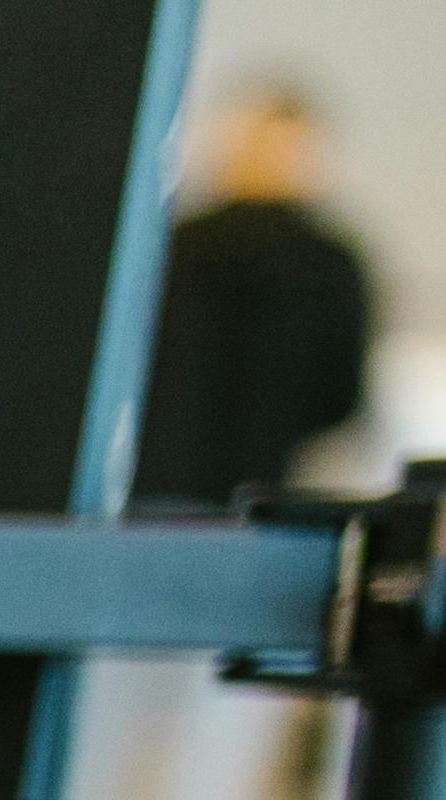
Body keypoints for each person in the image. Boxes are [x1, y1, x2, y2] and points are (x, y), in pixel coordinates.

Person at [130, 79, 380, 512]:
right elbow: (341, 398)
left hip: (154, 488)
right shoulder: (331, 260)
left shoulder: (178, 242)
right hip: (264, 495)